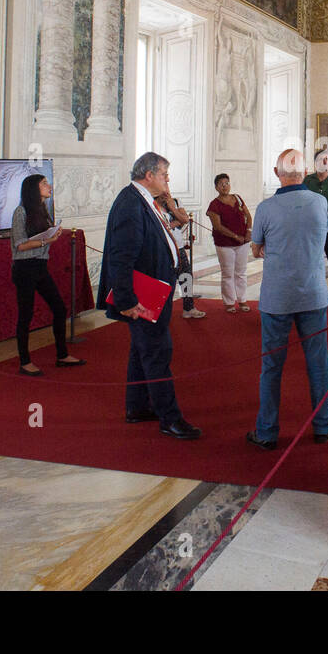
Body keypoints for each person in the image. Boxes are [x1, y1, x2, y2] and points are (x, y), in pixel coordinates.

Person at [97, 152, 201, 440]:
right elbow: (121, 257)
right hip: (143, 295)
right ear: (149, 175)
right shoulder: (130, 203)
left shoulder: (144, 199)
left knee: (140, 350)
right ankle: (170, 418)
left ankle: (138, 406)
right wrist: (127, 301)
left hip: (155, 290)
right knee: (157, 351)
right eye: (165, 174)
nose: (168, 179)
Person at [246, 149, 328, 449]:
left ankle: (267, 432)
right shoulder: (319, 202)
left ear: (276, 172)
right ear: (305, 171)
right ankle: (324, 425)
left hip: (277, 297)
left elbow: (255, 248)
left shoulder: (266, 208)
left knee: (271, 367)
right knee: (318, 362)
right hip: (312, 293)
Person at [10, 174, 85, 376]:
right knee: (26, 315)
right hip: (25, 268)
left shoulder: (43, 211)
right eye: (44, 183)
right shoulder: (21, 211)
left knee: (59, 308)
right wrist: (46, 241)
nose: (49, 186)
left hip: (40, 267)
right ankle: (25, 362)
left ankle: (62, 355)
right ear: (33, 189)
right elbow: (21, 245)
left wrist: (53, 234)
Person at [302, 148, 328, 309]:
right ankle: (309, 293)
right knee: (309, 260)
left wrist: (322, 221)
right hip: (309, 229)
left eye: (327, 159)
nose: (325, 162)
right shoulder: (307, 181)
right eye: (322, 159)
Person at [155, 190, 206, 320]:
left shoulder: (176, 202)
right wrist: (176, 221)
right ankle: (160, 312)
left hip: (179, 247)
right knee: (165, 281)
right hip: (162, 249)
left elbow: (185, 219)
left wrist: (172, 208)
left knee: (186, 276)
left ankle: (188, 308)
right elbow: (159, 227)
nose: (166, 192)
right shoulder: (152, 204)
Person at [206, 173, 253, 312]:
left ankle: (242, 300)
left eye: (227, 183)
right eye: (221, 184)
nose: (225, 186)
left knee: (241, 272)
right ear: (216, 187)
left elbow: (248, 216)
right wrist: (234, 236)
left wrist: (249, 231)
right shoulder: (214, 205)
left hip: (243, 242)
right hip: (225, 244)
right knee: (228, 273)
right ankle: (229, 302)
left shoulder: (237, 198)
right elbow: (217, 226)